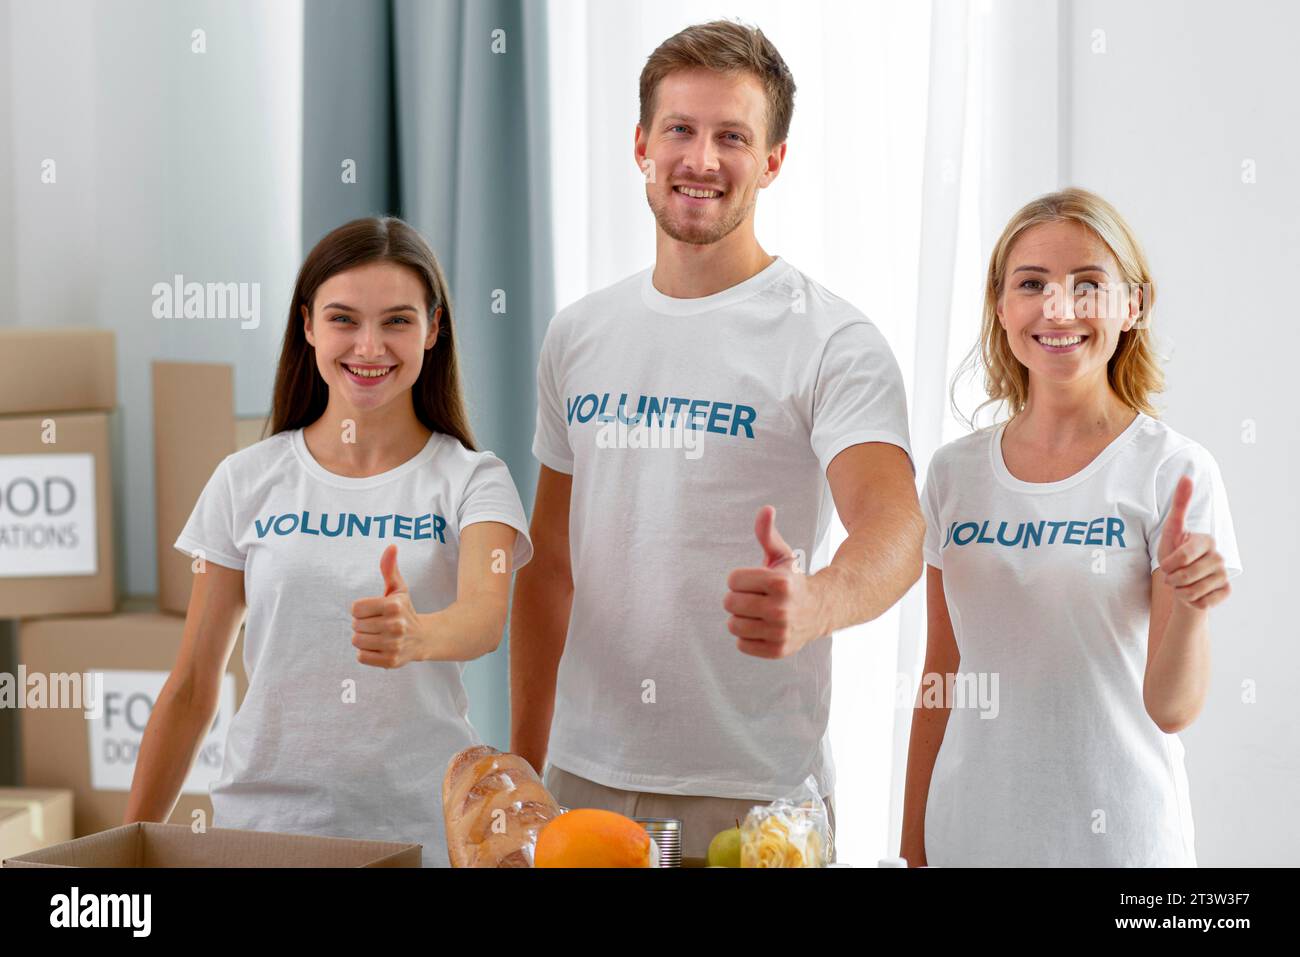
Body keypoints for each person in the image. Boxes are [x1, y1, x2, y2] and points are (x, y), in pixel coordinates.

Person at [510, 19, 924, 860]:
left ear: (773, 160)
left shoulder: (833, 340)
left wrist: (820, 603)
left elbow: (897, 529)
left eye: (732, 135)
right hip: (582, 779)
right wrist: (526, 760)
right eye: (680, 130)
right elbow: (548, 560)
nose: (701, 160)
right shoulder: (578, 334)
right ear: (640, 145)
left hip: (755, 794)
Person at [126, 216, 533, 867]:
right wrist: (126, 848)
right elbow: (192, 685)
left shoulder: (472, 479)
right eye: (344, 319)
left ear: (433, 329)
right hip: (260, 833)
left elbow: (486, 616)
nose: (369, 345)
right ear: (308, 324)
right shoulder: (247, 479)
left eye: (397, 321)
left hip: (417, 835)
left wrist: (418, 634)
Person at [900, 188, 1242, 867]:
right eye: (1033, 284)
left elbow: (1172, 708)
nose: (1059, 308)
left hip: (1123, 844)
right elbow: (943, 672)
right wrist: (913, 848)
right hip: (971, 835)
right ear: (1002, 307)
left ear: (1132, 306)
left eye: (1089, 284)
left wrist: (1194, 612)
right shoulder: (952, 473)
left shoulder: (1173, 471)